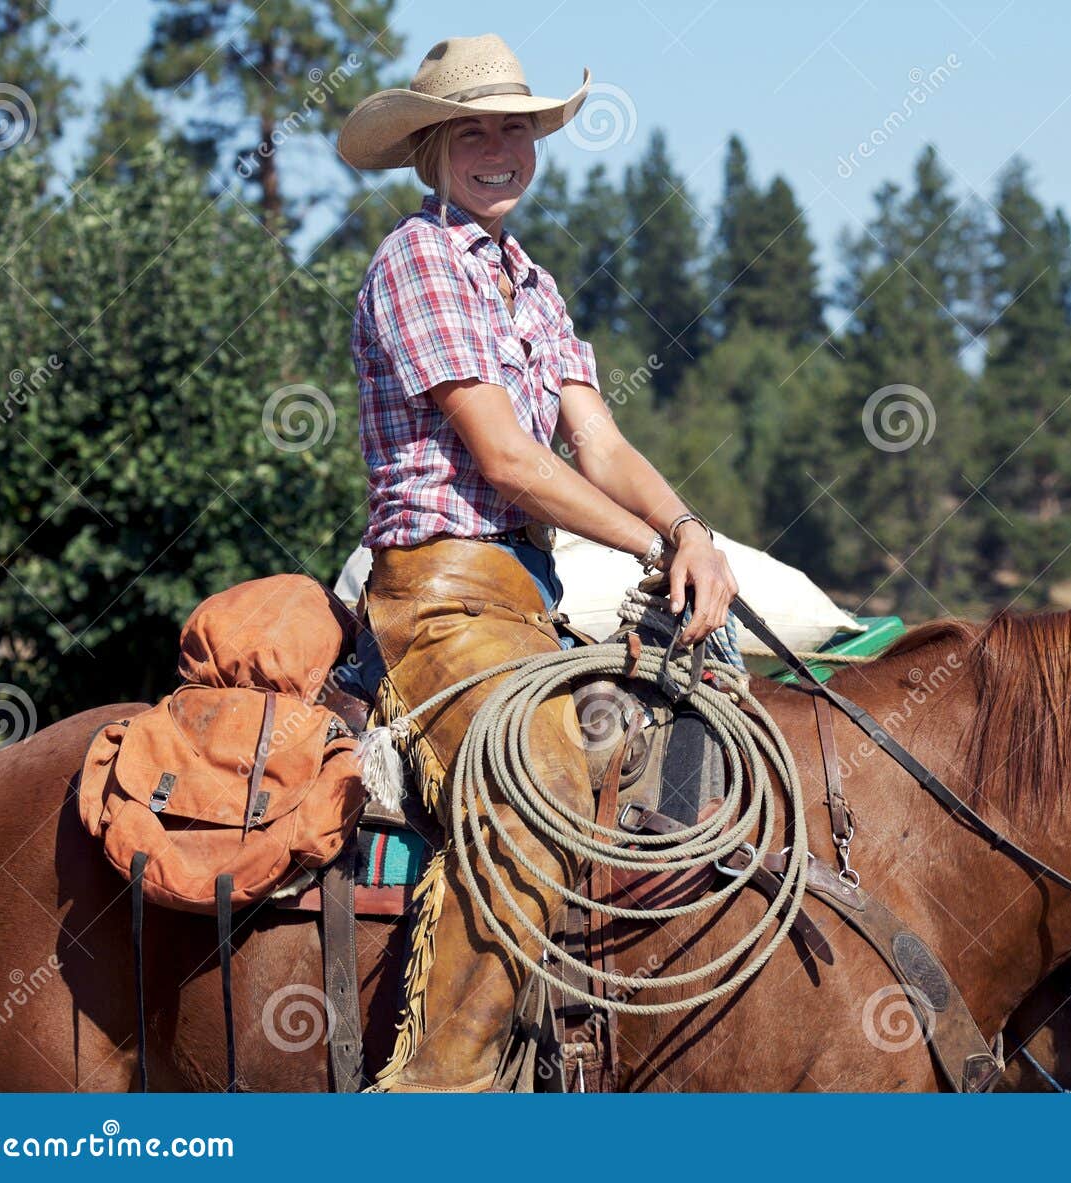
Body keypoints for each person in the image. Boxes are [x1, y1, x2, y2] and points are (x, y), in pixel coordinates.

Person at [338, 33, 738, 1090]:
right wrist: (654, 545)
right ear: (430, 150)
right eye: (475, 129)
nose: (500, 148)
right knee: (539, 777)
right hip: (437, 601)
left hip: (527, 601)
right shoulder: (416, 261)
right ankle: (438, 1091)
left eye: (516, 127)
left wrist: (693, 534)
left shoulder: (531, 284)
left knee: (691, 744)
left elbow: (596, 445)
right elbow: (508, 458)